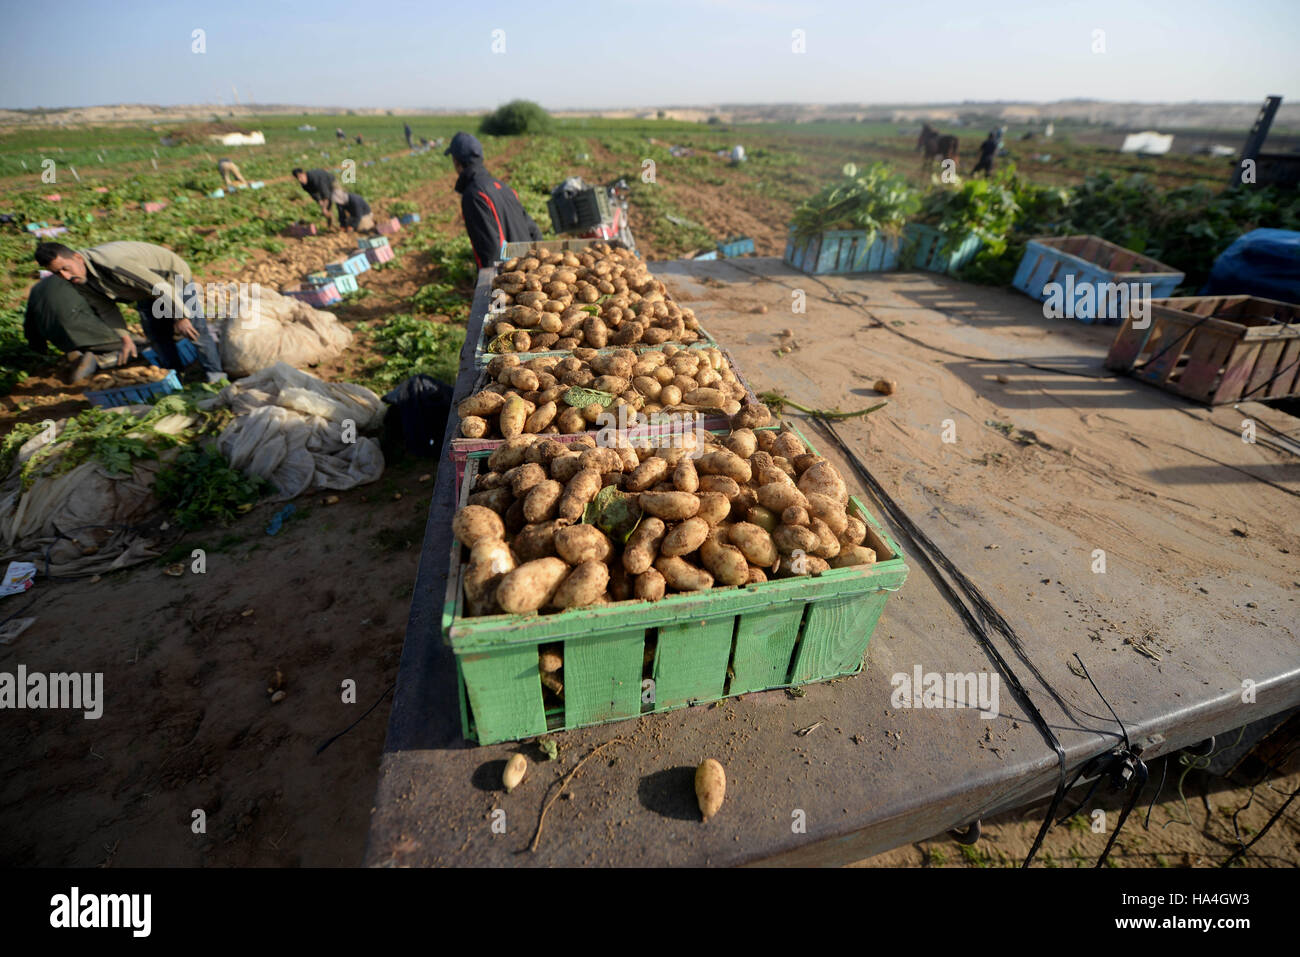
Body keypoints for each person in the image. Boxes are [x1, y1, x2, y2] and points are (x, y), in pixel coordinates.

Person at [34, 241, 225, 382]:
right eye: (58, 273)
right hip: (142, 290)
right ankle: (176, 376)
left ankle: (216, 376)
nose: (65, 276)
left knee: (195, 331)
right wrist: (125, 338)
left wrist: (181, 317)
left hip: (171, 278)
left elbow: (161, 287)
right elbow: (105, 308)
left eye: (65, 268)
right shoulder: (78, 279)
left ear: (77, 257)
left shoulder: (114, 264)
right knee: (156, 335)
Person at [444, 131, 542, 268]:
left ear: (456, 161)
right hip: (529, 268)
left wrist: (490, 282)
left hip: (509, 274)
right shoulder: (504, 187)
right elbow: (534, 231)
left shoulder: (474, 195)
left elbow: (489, 250)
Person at [24, 274, 143, 381]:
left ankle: (79, 351)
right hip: (82, 328)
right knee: (143, 345)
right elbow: (104, 308)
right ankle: (99, 361)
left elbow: (30, 324)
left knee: (86, 337)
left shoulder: (37, 288)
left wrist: (39, 349)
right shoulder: (80, 276)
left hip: (58, 337)